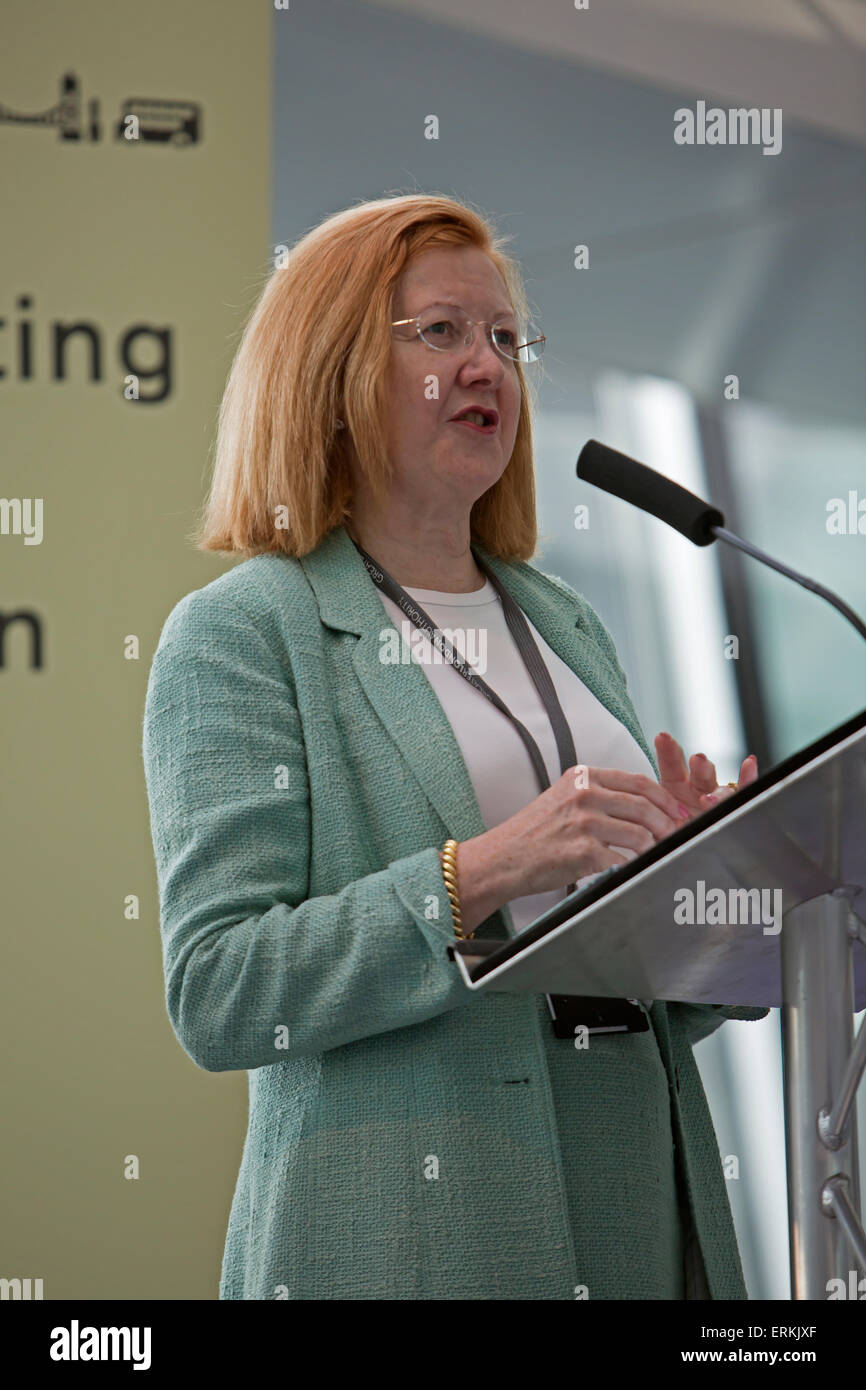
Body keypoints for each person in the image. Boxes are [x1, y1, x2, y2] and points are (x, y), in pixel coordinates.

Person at [142, 192, 768, 1300]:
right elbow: (221, 988)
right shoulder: (245, 631)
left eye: (503, 338)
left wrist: (709, 885)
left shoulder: (560, 620)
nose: (486, 365)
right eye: (440, 332)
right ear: (329, 370)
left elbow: (611, 971)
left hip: (638, 1205)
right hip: (413, 1229)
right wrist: (481, 869)